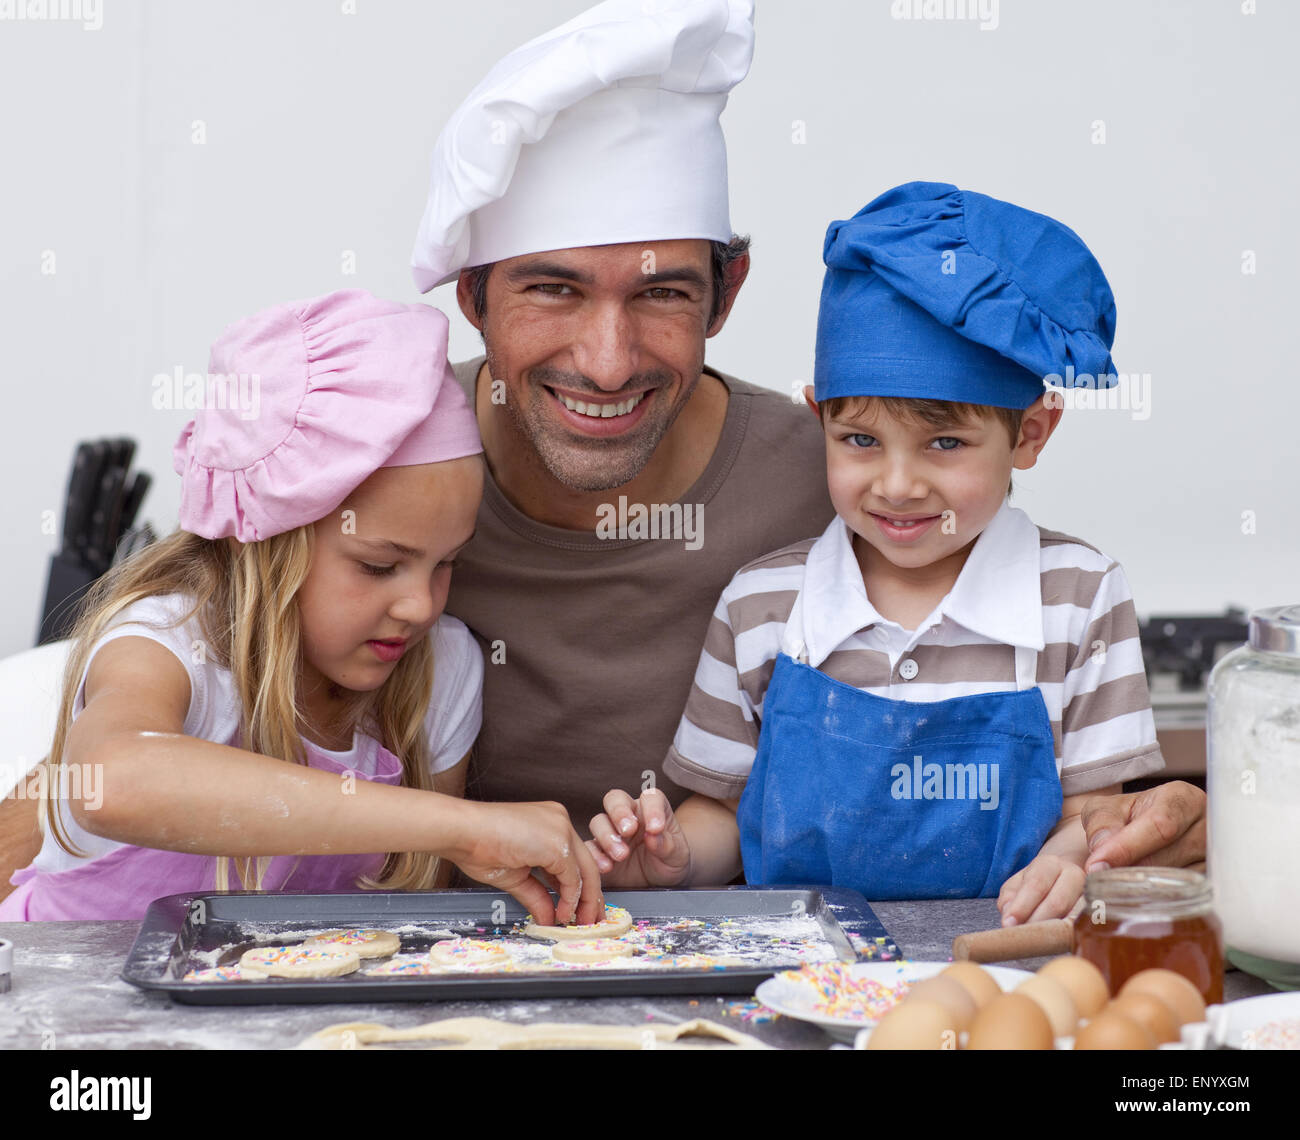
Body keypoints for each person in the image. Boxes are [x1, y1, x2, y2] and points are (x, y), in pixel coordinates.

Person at [588, 182, 1167, 923]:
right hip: (796, 968)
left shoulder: (1081, 597)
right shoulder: (763, 605)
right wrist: (670, 860)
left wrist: (1068, 860)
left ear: (1031, 434)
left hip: (999, 966)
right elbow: (726, 817)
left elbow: (1095, 817)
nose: (897, 485)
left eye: (946, 443)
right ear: (815, 419)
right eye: (859, 441)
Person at [0, 289, 602, 924]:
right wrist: (462, 825)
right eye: (378, 565)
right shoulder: (170, 642)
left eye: (446, 562)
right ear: (269, 542)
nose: (419, 605)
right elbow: (112, 781)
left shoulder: (442, 669)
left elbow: (418, 919)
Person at [409, 0, 837, 832]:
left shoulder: (836, 486)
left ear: (727, 292)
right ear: (473, 295)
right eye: (553, 290)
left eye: (662, 293)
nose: (607, 363)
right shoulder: (381, 457)